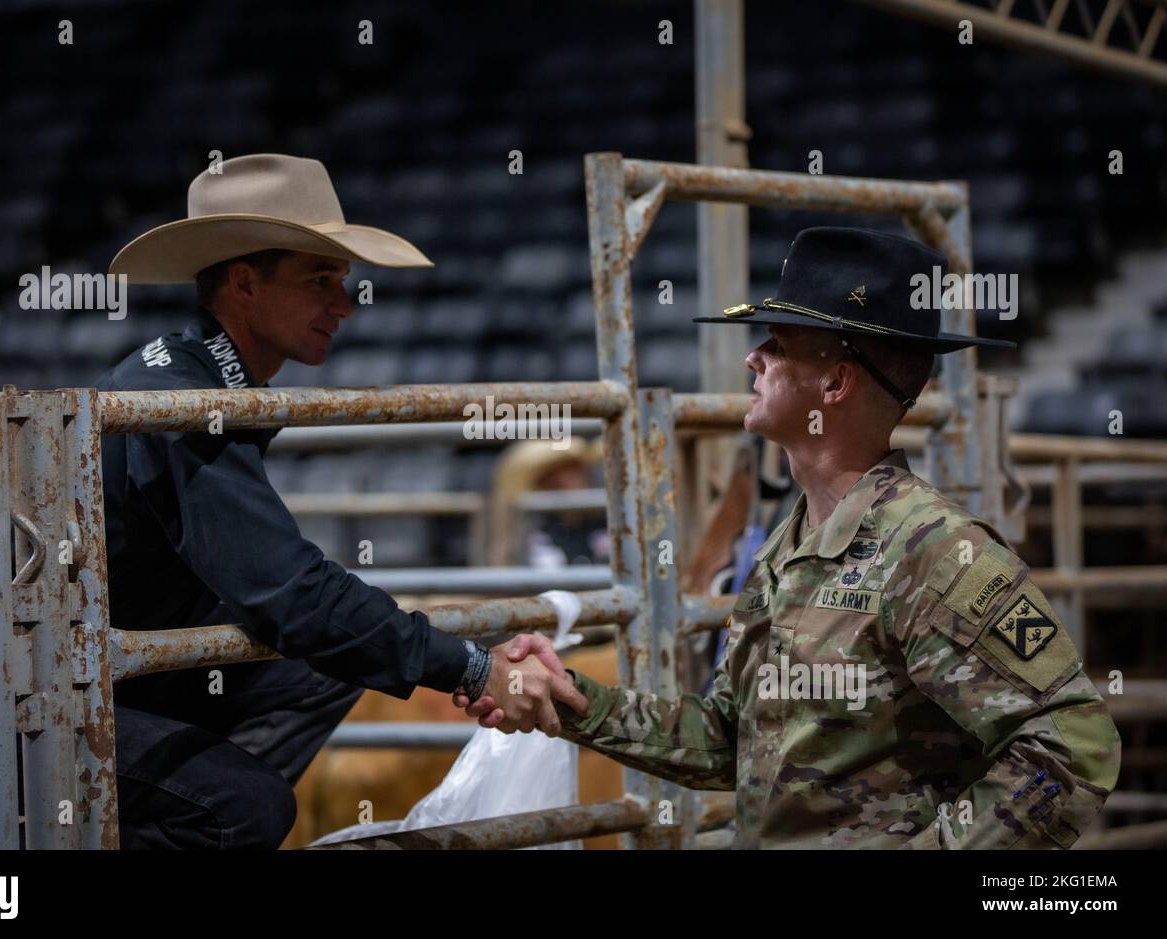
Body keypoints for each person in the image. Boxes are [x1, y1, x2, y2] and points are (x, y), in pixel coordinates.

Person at [0, 153, 585, 849]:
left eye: (344, 281)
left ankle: (127, 832)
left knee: (306, 692)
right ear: (243, 284)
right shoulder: (184, 401)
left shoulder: (195, 379)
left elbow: (287, 597)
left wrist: (459, 658)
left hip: (62, 668)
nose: (345, 302)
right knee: (243, 808)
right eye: (320, 279)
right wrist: (473, 667)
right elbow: (287, 591)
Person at [460, 227, 1121, 849]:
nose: (753, 357)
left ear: (834, 383)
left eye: (776, 344)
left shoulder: (934, 552)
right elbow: (728, 739)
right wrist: (571, 697)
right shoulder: (787, 547)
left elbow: (1073, 740)